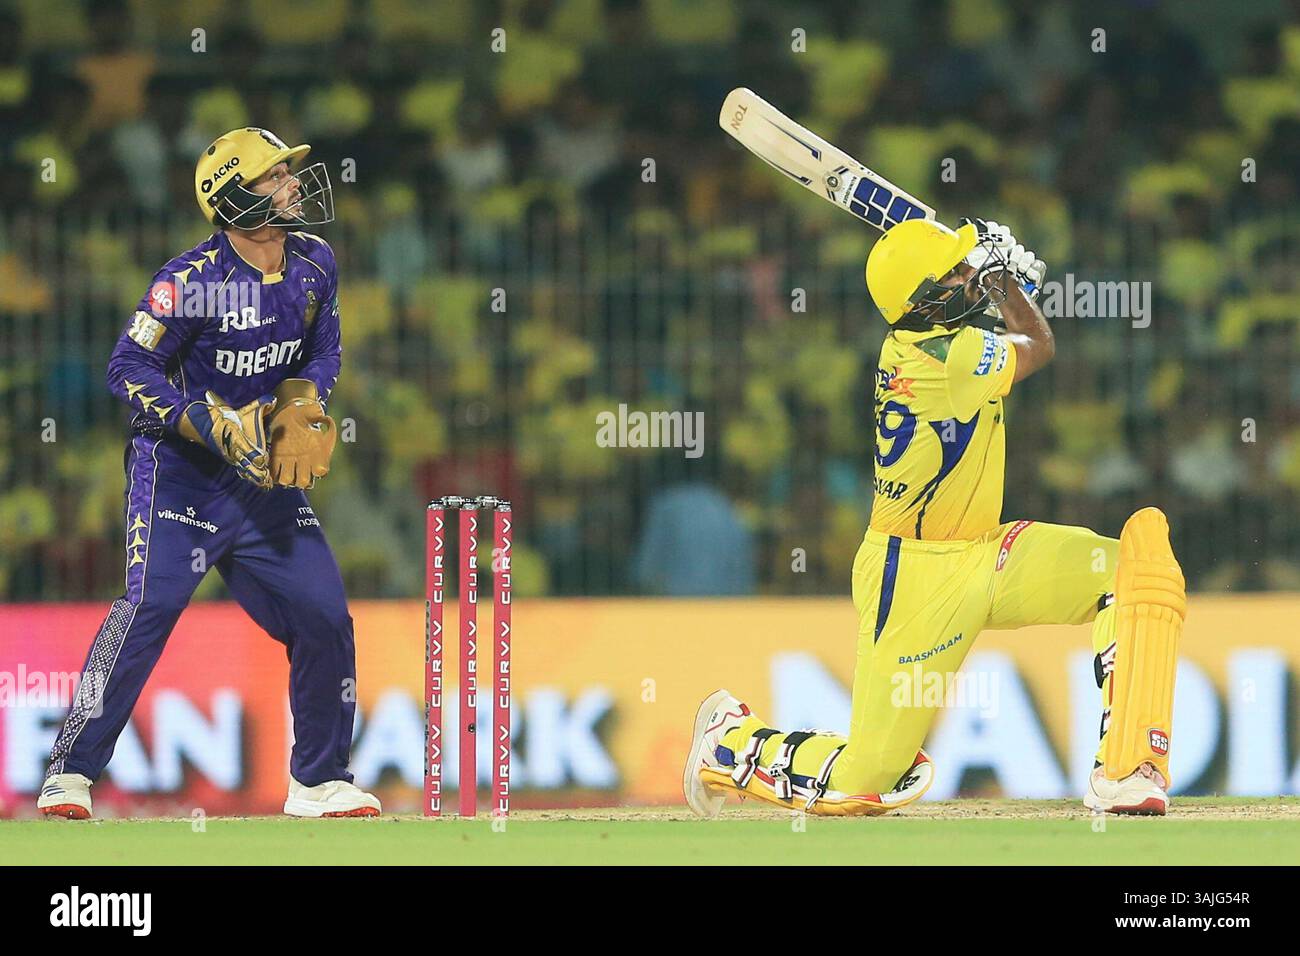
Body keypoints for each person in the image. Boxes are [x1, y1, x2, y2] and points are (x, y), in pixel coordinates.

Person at [684, 218, 1186, 817]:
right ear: (930, 299)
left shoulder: (929, 337)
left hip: (987, 552)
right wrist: (1005, 285)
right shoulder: (952, 357)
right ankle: (728, 741)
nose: (964, 274)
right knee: (866, 779)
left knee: (1136, 564)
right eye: (954, 271)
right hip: (915, 578)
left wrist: (996, 280)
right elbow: (1041, 346)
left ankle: (1129, 770)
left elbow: (1009, 333)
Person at [38, 128, 380, 819]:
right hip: (181, 473)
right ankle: (70, 771)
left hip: (261, 478)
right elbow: (126, 368)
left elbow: (325, 350)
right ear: (231, 200)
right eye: (272, 177)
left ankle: (318, 782)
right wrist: (206, 422)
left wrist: (303, 400)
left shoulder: (316, 262)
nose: (292, 185)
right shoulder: (190, 283)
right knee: (150, 607)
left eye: (288, 172)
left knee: (323, 616)